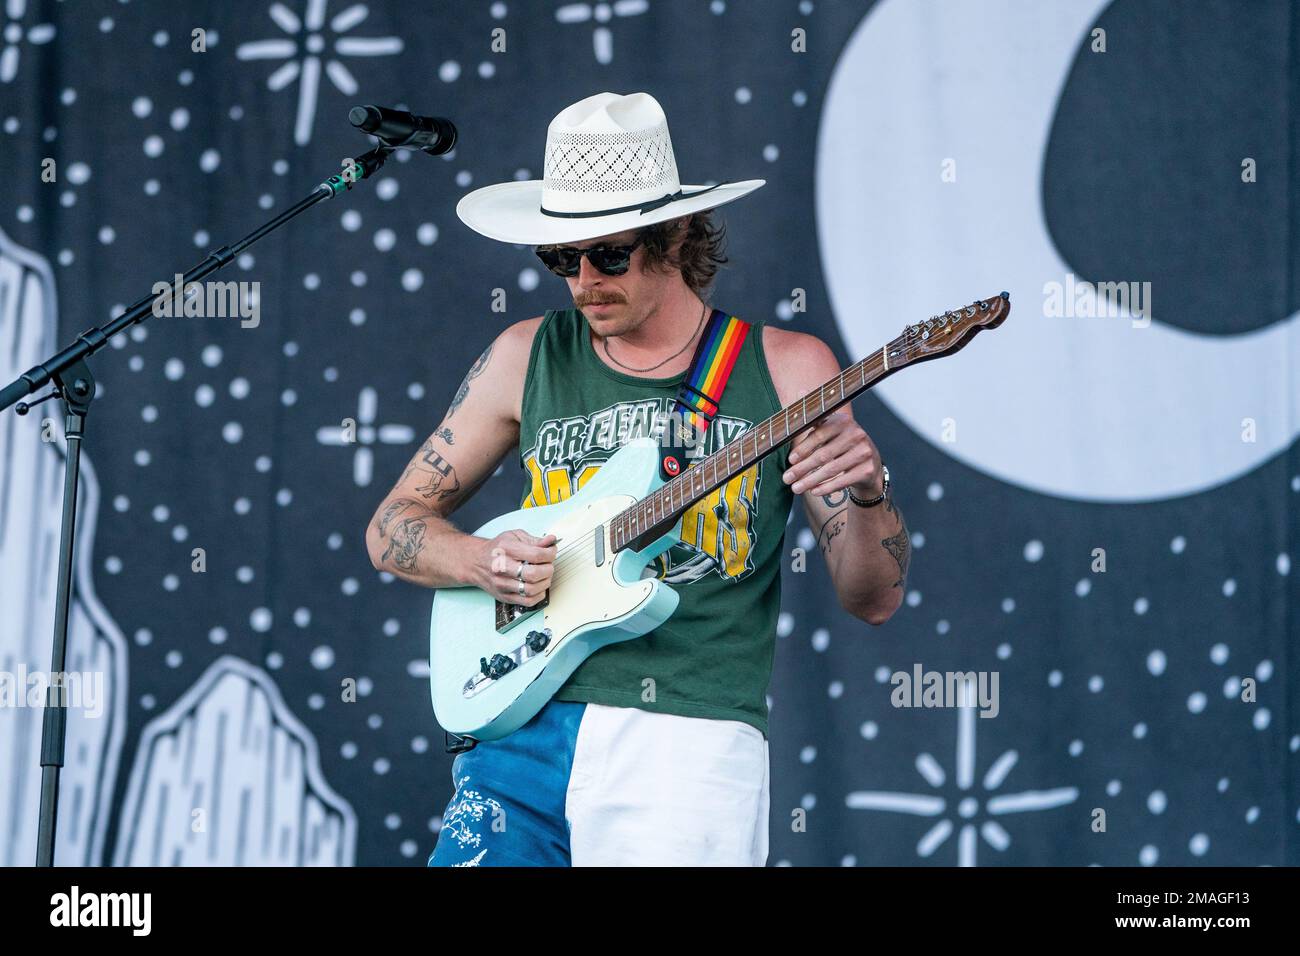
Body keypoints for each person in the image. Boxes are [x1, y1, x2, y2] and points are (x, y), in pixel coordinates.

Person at [365, 92, 911, 866]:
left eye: (610, 254)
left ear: (676, 232)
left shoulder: (790, 369)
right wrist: (478, 561)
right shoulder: (525, 353)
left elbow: (875, 598)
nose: (584, 280)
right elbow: (390, 527)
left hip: (686, 743)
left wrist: (867, 490)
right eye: (561, 258)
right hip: (517, 728)